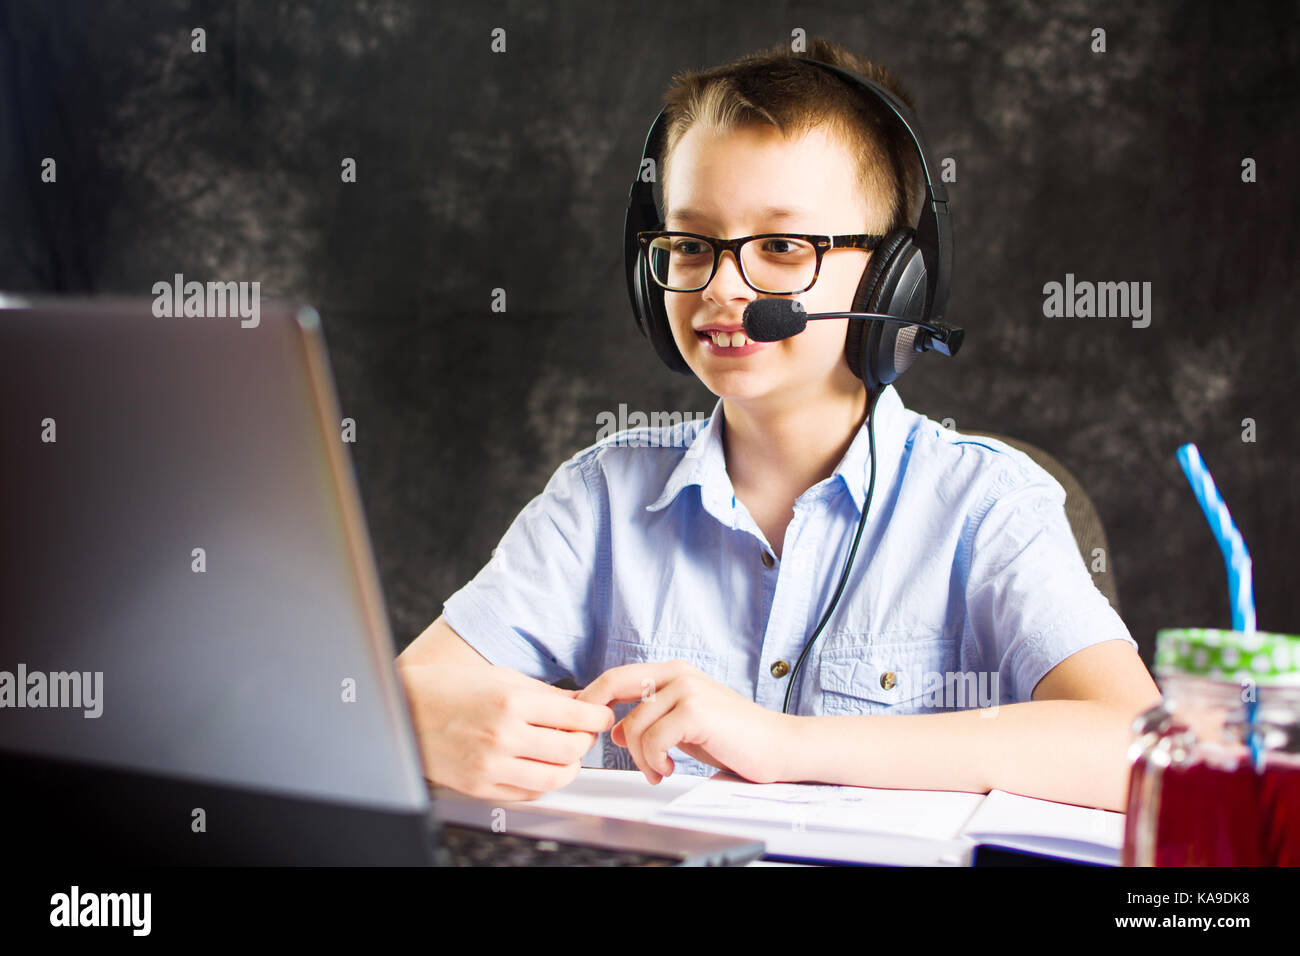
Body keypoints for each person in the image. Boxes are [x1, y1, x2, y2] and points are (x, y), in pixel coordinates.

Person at [397, 37, 1161, 812]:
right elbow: (407, 688)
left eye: (783, 246)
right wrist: (422, 719)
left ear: (897, 281)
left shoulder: (986, 504)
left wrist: (782, 745)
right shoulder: (601, 498)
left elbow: (1134, 746)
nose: (723, 286)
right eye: (692, 244)